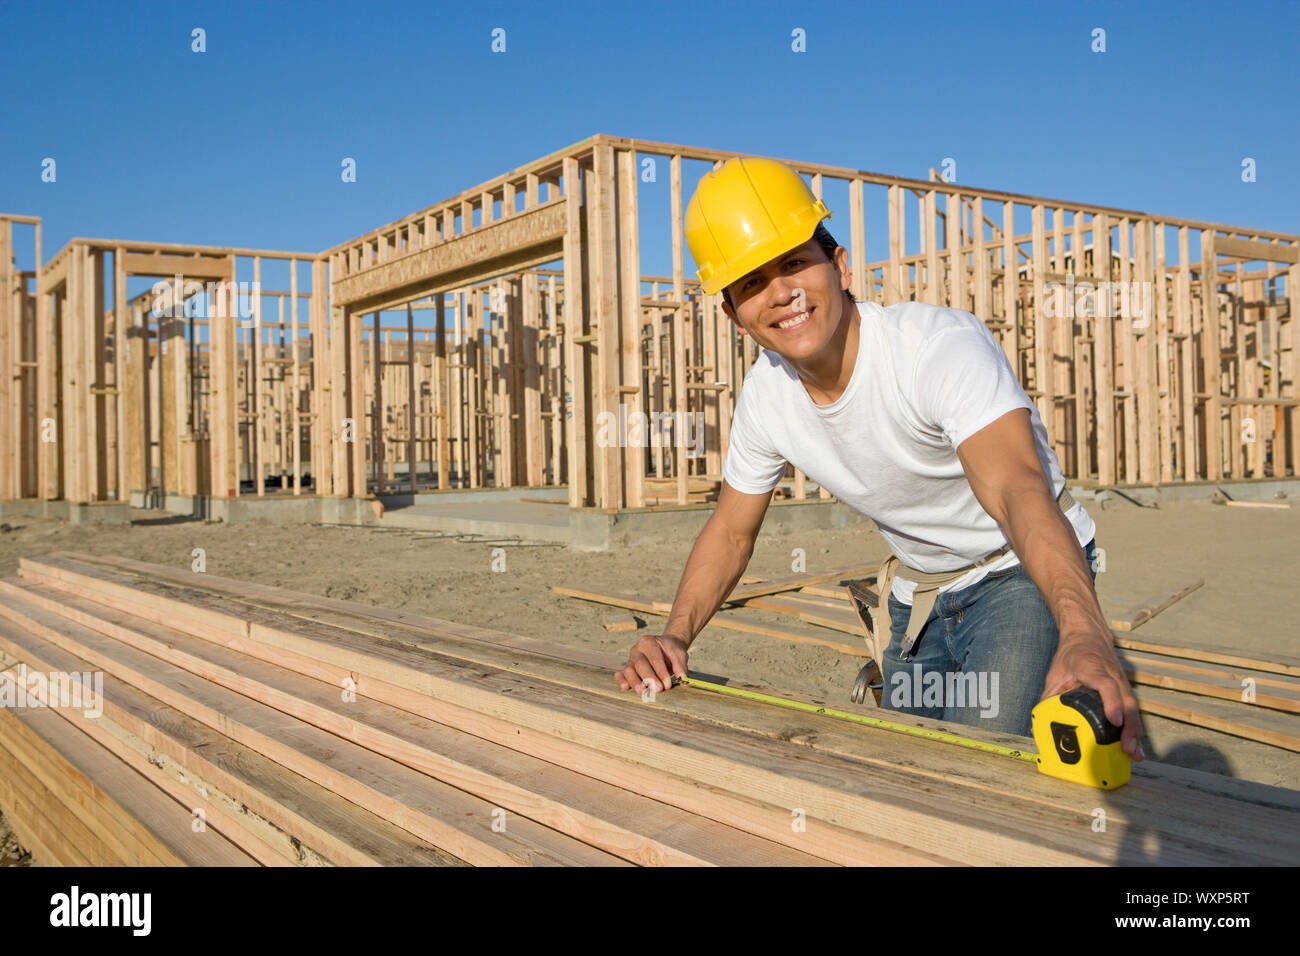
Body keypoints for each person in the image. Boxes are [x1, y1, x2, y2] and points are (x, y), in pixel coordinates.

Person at [614, 156, 1144, 758]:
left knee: (977, 765)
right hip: (918, 590)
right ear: (733, 315)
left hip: (1016, 570)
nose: (781, 292)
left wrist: (1082, 629)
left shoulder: (935, 349)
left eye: (793, 263)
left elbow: (1016, 489)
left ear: (839, 266)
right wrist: (675, 637)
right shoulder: (766, 395)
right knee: (905, 762)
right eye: (751, 283)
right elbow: (732, 531)